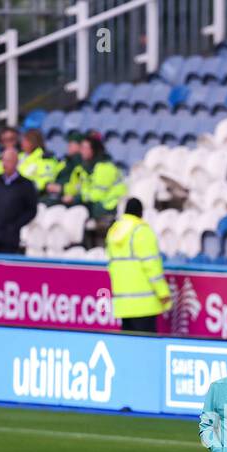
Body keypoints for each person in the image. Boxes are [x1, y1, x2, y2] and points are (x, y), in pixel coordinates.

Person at [106, 197, 171, 333]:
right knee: (146, 348)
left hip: (123, 303)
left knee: (129, 348)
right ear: (141, 213)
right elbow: (152, 267)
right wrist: (163, 293)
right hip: (144, 304)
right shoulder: (142, 231)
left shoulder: (113, 232)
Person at [0, 147, 37, 255]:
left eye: (8, 161)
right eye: (3, 160)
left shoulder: (26, 185)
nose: (4, 164)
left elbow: (31, 210)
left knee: (6, 269)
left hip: (10, 238)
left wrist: (16, 225)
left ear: (16, 163)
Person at [65, 133, 126, 220]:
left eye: (85, 148)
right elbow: (82, 189)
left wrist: (76, 198)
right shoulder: (85, 168)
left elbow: (97, 194)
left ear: (93, 150)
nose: (81, 151)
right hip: (96, 205)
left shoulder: (105, 167)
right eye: (81, 148)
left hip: (109, 207)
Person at [19, 130, 64, 194]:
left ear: (33, 142)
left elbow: (46, 180)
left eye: (25, 141)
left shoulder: (45, 158)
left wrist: (28, 186)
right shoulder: (19, 156)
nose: (22, 143)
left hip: (35, 194)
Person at [47, 132, 84, 205]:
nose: (68, 146)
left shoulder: (82, 163)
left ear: (80, 146)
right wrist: (48, 184)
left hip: (70, 199)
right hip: (54, 195)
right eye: (68, 143)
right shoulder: (64, 161)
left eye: (72, 143)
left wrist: (61, 188)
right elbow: (54, 175)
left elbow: (80, 186)